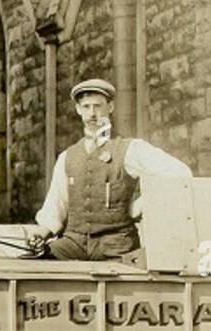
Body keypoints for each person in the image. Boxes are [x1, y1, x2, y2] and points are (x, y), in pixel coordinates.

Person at [23, 78, 191, 261]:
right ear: (78, 110)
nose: (92, 114)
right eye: (86, 107)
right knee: (35, 263)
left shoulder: (131, 149)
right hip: (73, 244)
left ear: (110, 107)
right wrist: (41, 233)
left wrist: (139, 206)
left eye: (98, 106)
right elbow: (56, 208)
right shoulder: (67, 157)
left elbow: (180, 174)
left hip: (116, 246)